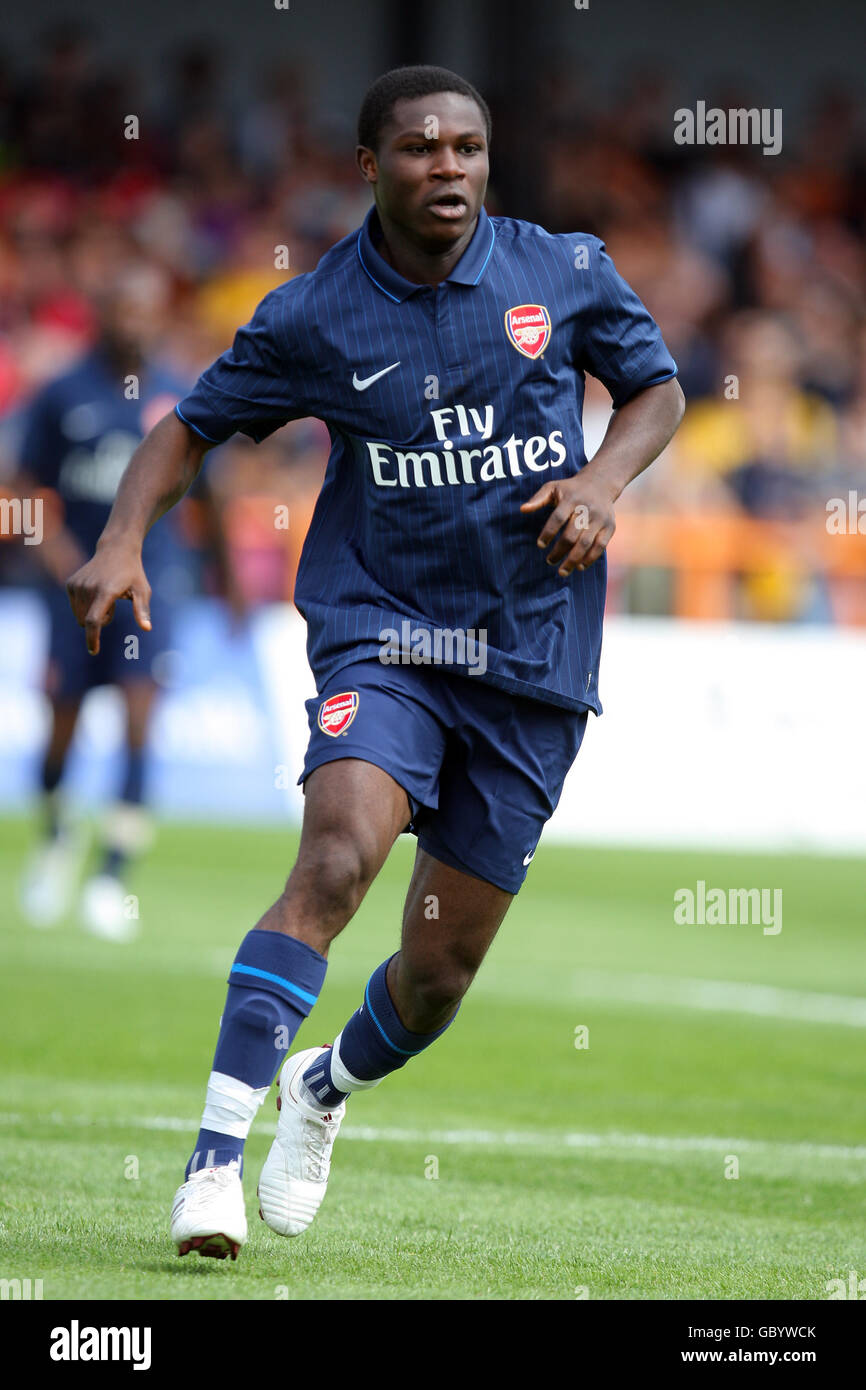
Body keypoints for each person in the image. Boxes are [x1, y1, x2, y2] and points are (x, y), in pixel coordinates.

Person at [67, 65, 685, 1260]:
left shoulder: (558, 270)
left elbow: (656, 391)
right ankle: (208, 1161)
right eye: (417, 149)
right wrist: (119, 536)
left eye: (464, 147)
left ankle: (322, 1089)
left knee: (438, 973)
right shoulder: (310, 314)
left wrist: (603, 483)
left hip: (531, 658)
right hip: (385, 631)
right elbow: (188, 427)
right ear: (369, 166)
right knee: (338, 852)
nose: (444, 167)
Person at [18, 264, 190, 941]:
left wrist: (232, 584)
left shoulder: (180, 391)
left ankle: (113, 875)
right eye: (123, 309)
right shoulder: (62, 392)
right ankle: (57, 838)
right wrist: (62, 557)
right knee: (61, 726)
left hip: (152, 590)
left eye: (145, 311)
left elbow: (206, 490)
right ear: (103, 312)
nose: (134, 323)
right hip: (72, 592)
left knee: (141, 722)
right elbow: (21, 490)